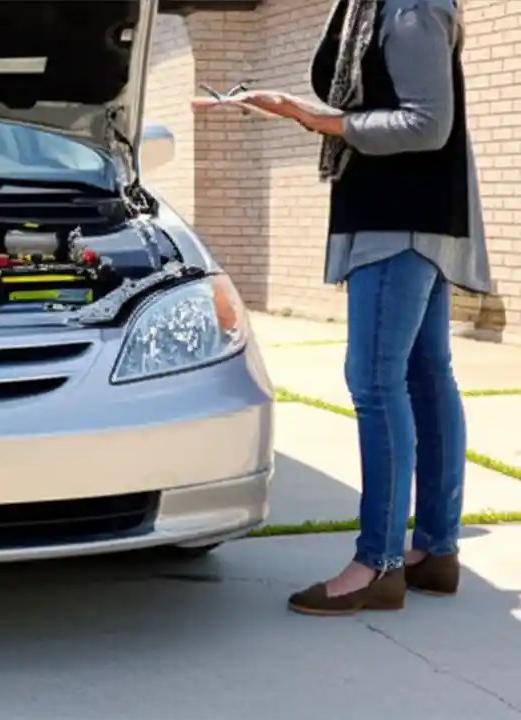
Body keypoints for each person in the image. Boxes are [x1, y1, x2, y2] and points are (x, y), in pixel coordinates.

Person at [193, 0, 491, 616]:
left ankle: (378, 565)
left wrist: (315, 119)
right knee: (424, 375)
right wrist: (293, 109)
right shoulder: (374, 6)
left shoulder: (409, 7)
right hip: (410, 215)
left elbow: (427, 124)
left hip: (398, 220)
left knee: (377, 382)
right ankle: (434, 552)